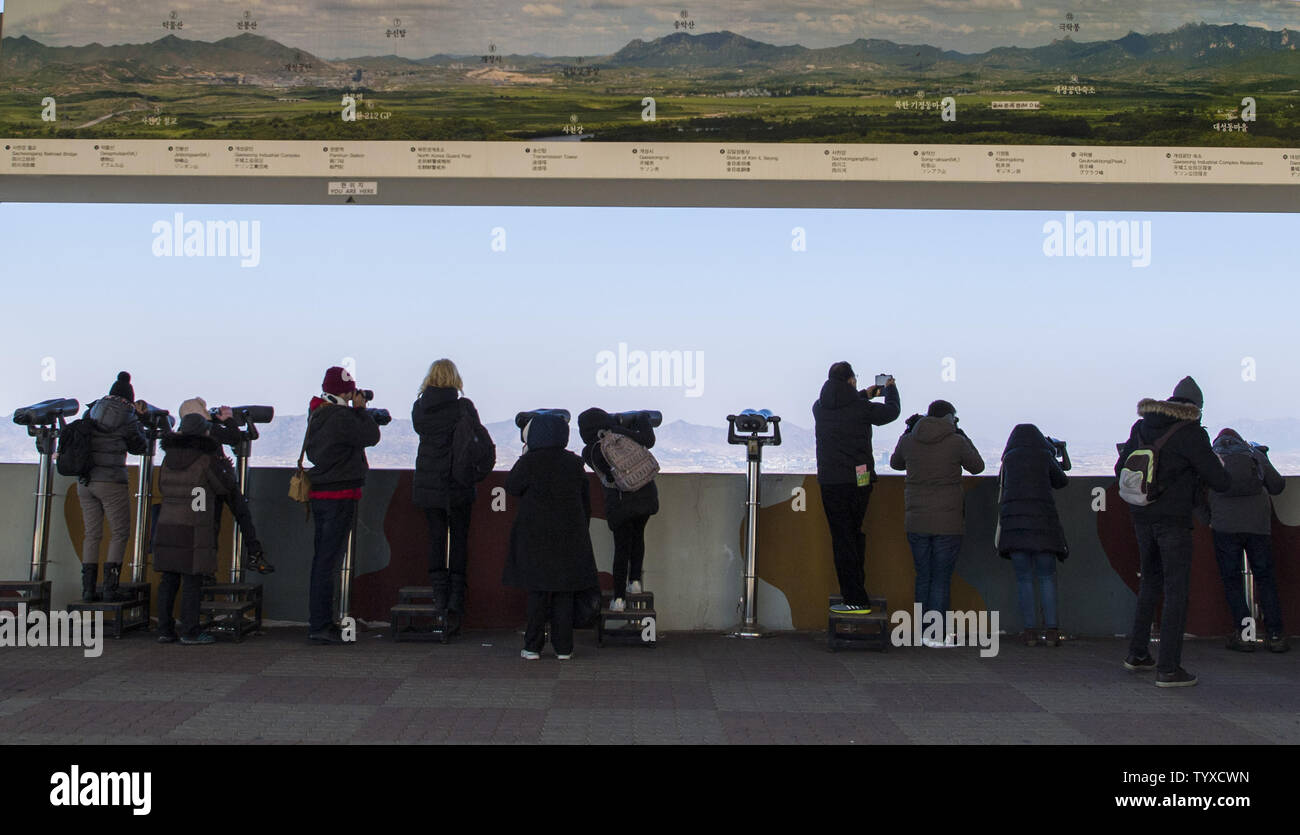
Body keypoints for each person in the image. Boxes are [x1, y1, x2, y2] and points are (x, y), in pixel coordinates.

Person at [1115, 376, 1231, 687]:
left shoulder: (1141, 427)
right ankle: (1168, 668)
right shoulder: (1191, 432)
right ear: (1197, 408)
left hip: (1140, 515)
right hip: (1173, 521)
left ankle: (1138, 653)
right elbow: (1220, 481)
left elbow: (1120, 469)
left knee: (1150, 582)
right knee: (1177, 590)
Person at [153, 400, 267, 645]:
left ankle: (164, 629)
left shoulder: (167, 460)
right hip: (193, 525)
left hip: (167, 523)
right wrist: (225, 469)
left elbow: (162, 487)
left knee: (169, 578)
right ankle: (190, 631)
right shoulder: (205, 460)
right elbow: (222, 487)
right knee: (192, 578)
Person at [503, 412, 598, 660]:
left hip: (535, 539)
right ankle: (564, 647)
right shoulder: (574, 464)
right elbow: (585, 504)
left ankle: (532, 646)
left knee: (537, 593)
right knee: (564, 594)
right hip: (569, 538)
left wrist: (524, 454)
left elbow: (512, 487)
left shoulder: (530, 462)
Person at [890, 400, 985, 646]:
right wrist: (963, 434)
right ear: (950, 418)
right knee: (941, 578)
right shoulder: (956, 441)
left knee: (923, 576)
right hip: (948, 521)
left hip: (916, 519)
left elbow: (895, 464)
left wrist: (907, 431)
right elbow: (977, 467)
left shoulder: (910, 440)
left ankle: (922, 633)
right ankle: (937, 634)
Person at [813, 362, 900, 615]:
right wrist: (891, 389)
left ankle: (854, 595)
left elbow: (844, 405)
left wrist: (864, 394)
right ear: (851, 381)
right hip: (859, 480)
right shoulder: (862, 409)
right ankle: (856, 598)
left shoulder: (818, 408)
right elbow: (891, 412)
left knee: (843, 538)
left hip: (830, 481)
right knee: (852, 536)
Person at [304, 366, 382, 645]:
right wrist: (361, 410)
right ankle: (320, 625)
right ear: (346, 391)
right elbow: (370, 437)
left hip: (321, 494)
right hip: (339, 495)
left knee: (322, 559)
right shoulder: (340, 416)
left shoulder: (318, 412)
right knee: (328, 562)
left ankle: (321, 622)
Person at [411, 359, 488, 635]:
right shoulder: (463, 408)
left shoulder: (420, 409)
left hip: (429, 484)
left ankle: (439, 598)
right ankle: (455, 603)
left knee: (435, 538)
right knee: (458, 540)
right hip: (458, 484)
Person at [1207, 428, 1288, 653]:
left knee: (1232, 581)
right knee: (1265, 579)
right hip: (1258, 527)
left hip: (1224, 527)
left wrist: (1209, 518)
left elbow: (1197, 494)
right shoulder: (1254, 454)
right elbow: (1277, 486)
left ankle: (1245, 636)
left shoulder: (1211, 458)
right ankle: (1275, 635)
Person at [578, 408, 659, 612]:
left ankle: (620, 599)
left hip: (621, 502)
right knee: (638, 538)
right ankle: (635, 582)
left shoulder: (590, 451)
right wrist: (638, 419)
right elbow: (648, 440)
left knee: (621, 548)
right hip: (645, 495)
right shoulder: (624, 436)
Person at [996, 424, 1069, 647]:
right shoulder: (1044, 455)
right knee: (1046, 578)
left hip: (1015, 528)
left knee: (1024, 579)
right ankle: (1052, 631)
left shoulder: (1008, 459)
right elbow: (1062, 480)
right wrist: (1061, 450)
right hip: (1043, 527)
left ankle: (1029, 632)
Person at [77, 371, 147, 603]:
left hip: (85, 481)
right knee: (119, 533)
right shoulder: (128, 416)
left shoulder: (91, 411)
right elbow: (139, 446)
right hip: (111, 481)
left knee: (92, 535)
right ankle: (109, 588)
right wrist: (142, 421)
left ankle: (88, 590)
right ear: (129, 398)